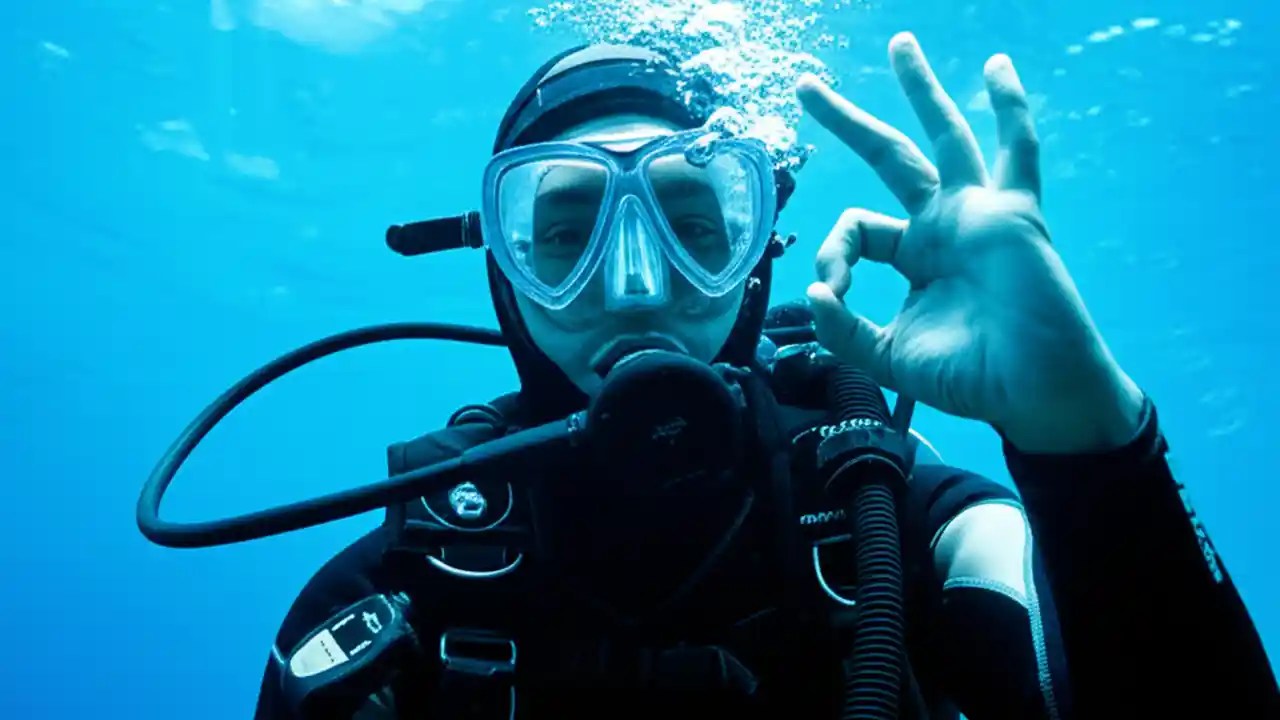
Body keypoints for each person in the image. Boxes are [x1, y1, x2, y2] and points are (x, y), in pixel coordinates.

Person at [253, 35, 1277, 719]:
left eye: (697, 226)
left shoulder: (895, 514)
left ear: (756, 257)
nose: (637, 287)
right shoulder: (402, 591)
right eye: (563, 234)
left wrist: (1088, 448)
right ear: (503, 276)